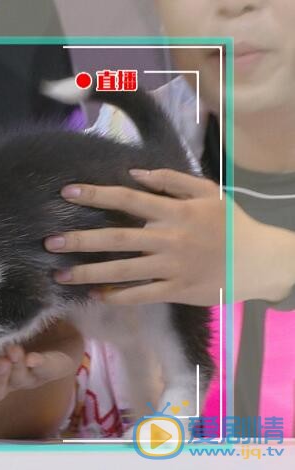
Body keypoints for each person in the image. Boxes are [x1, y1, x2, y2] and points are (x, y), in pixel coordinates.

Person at [45, 0, 295, 436]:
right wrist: (31, 380)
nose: (234, 5)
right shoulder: (117, 148)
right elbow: (40, 409)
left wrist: (275, 263)